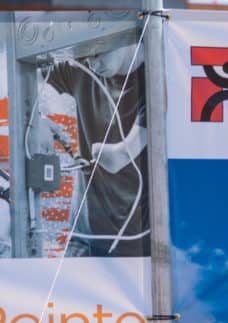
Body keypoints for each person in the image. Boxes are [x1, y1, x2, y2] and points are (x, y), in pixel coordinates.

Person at [31, 41, 149, 257]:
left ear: (120, 35)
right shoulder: (82, 66)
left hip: (135, 238)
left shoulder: (155, 80)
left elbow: (119, 158)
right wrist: (37, 120)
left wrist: (96, 152)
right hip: (83, 233)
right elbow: (24, 74)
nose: (92, 64)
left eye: (97, 54)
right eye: (85, 57)